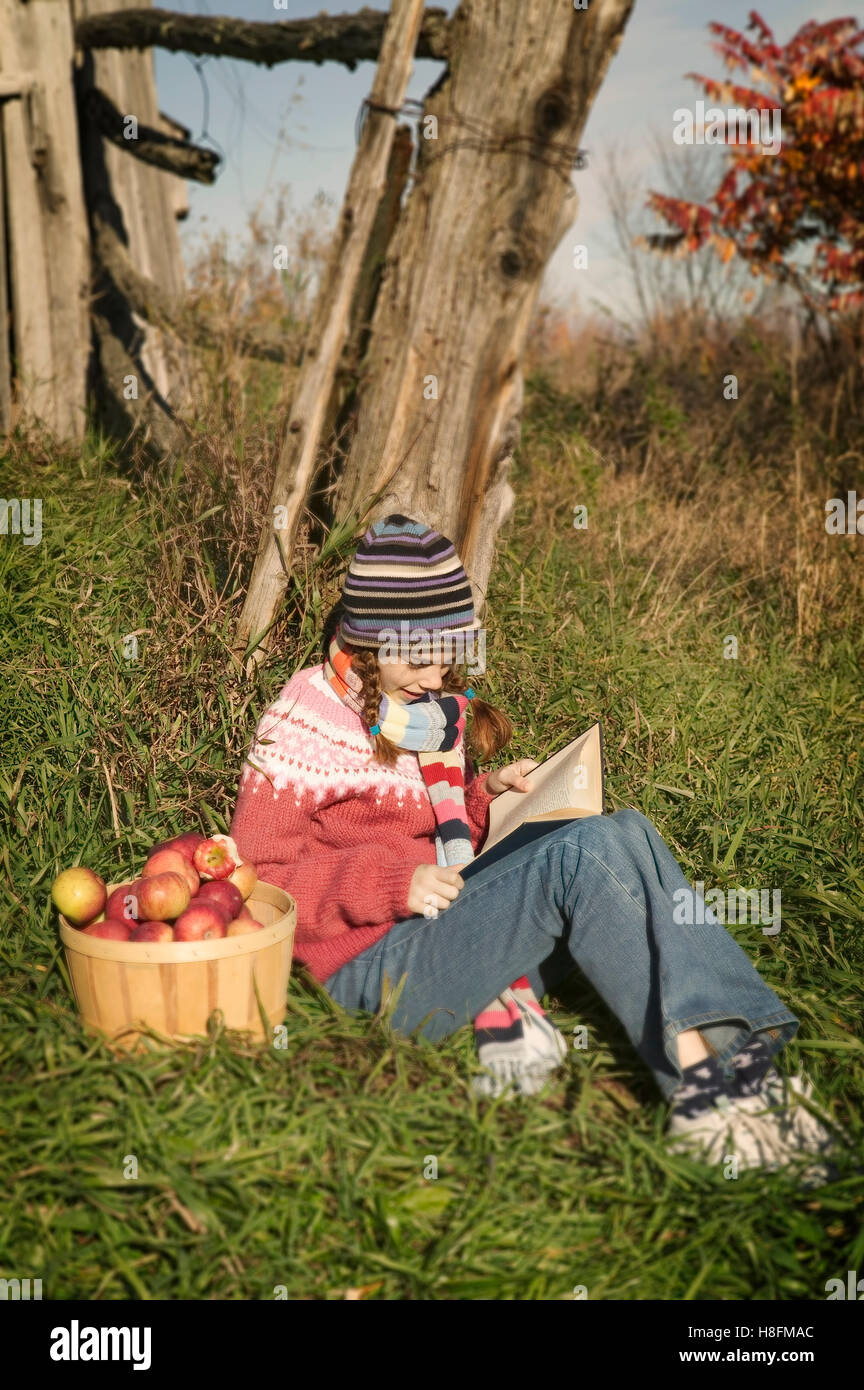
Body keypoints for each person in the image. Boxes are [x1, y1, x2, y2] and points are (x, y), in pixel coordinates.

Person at [230, 514, 838, 1180]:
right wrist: (389, 884)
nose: (436, 676)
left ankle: (740, 1069)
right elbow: (260, 882)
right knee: (583, 856)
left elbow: (428, 830)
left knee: (624, 829)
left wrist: (486, 795)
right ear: (370, 640)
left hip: (432, 927)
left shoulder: (417, 713)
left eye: (446, 654)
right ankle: (711, 1096)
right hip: (369, 975)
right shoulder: (303, 717)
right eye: (418, 655)